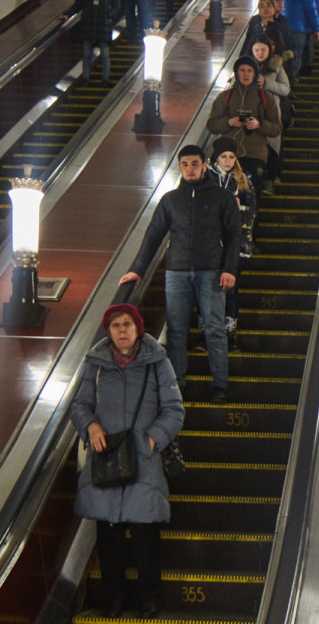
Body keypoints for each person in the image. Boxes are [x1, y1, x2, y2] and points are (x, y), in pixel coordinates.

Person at [71, 302, 185, 619]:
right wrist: (90, 425)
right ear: (108, 332)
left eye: (127, 324)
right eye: (116, 326)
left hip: (143, 460)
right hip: (107, 458)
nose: (122, 331)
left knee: (145, 533)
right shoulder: (95, 364)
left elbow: (175, 410)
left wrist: (151, 440)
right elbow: (79, 406)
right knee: (109, 534)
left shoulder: (157, 363)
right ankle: (114, 599)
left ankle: (150, 598)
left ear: (138, 328)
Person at [117, 145, 241, 403]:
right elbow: (152, 237)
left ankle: (220, 385)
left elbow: (233, 236)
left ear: (204, 165)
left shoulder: (222, 197)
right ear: (180, 167)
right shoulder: (170, 200)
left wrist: (229, 269)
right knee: (176, 330)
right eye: (184, 164)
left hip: (212, 271)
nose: (189, 169)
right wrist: (137, 270)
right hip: (177, 272)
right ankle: (177, 385)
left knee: (215, 330)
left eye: (194, 164)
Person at [209, 139, 258, 350]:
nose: (227, 161)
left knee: (231, 289)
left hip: (236, 243)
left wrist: (239, 209)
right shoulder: (206, 177)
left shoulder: (243, 179)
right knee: (210, 288)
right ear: (216, 158)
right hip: (210, 243)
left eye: (231, 157)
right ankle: (208, 334)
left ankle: (230, 334)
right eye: (223, 157)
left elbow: (253, 210)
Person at [210, 54, 282, 190]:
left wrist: (258, 124)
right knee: (227, 197)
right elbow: (212, 124)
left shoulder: (266, 98)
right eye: (242, 70)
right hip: (228, 155)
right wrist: (229, 122)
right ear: (237, 73)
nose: (246, 74)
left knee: (250, 197)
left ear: (255, 73)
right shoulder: (225, 97)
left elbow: (277, 128)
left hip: (255, 155)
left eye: (249, 70)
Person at [65, 0, 119, 81]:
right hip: (88, 22)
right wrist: (68, 14)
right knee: (87, 54)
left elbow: (117, 6)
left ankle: (105, 80)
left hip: (103, 23)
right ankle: (85, 78)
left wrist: (108, 14)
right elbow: (78, 3)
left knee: (105, 54)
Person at [249, 38, 292, 188]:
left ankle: (270, 180)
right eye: (257, 50)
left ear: (269, 51)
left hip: (272, 113)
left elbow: (286, 89)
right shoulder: (245, 67)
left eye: (263, 50)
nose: (260, 53)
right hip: (250, 113)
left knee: (273, 147)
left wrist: (267, 84)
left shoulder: (276, 67)